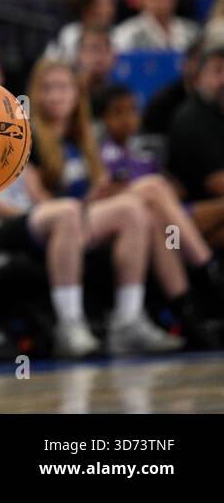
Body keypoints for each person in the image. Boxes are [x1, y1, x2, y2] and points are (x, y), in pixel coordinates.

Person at [21, 60, 182, 354]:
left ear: (76, 93)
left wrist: (99, 197)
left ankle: (128, 319)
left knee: (133, 208)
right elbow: (36, 197)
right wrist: (80, 211)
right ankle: (69, 325)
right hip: (39, 221)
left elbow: (94, 197)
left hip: (80, 218)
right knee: (68, 211)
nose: (57, 95)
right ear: (35, 94)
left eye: (64, 87)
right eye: (48, 88)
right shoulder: (25, 135)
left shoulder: (85, 139)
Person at [95, 85, 223, 345]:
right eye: (117, 112)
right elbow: (103, 192)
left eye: (132, 111)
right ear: (103, 119)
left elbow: (176, 189)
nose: (127, 118)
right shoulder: (102, 153)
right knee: (152, 192)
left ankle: (188, 314)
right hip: (116, 220)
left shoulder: (144, 153)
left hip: (163, 224)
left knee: (155, 219)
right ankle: (210, 273)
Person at [166, 36, 224, 250]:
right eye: (217, 71)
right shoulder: (190, 118)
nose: (223, 80)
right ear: (199, 78)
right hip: (177, 222)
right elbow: (217, 183)